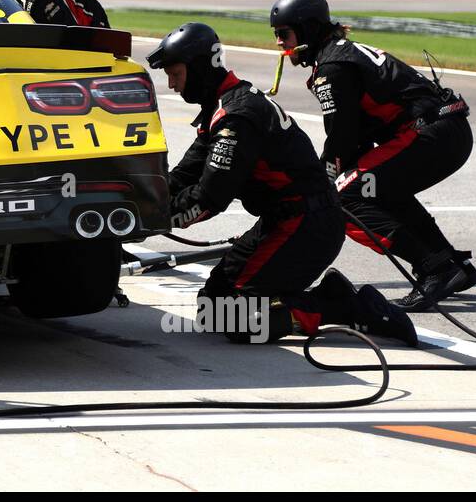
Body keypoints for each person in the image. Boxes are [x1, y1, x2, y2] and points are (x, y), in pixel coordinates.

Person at [146, 23, 415, 345]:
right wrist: (137, 201)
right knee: (213, 308)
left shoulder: (237, 117)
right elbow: (183, 177)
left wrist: (151, 220)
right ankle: (330, 294)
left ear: (199, 67)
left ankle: (345, 307)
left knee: (238, 321)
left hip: (307, 225)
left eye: (175, 74)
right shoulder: (223, 108)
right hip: (284, 220)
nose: (172, 84)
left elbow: (208, 198)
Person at [269, 0, 476, 311]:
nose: (279, 43)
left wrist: (322, 182)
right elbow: (353, 141)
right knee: (373, 188)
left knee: (345, 197)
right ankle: (449, 264)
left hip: (432, 133)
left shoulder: (332, 67)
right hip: (443, 130)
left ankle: (435, 267)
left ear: (308, 29)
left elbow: (341, 137)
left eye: (283, 34)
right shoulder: (337, 54)